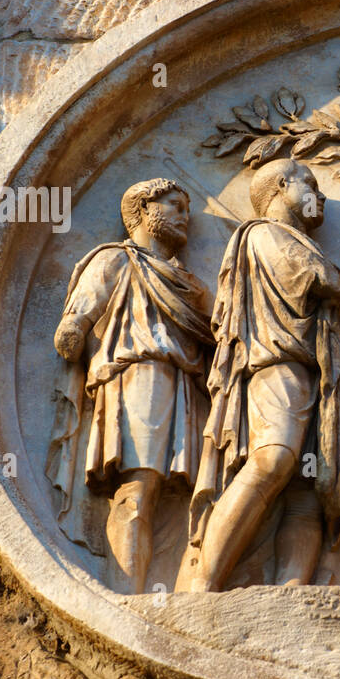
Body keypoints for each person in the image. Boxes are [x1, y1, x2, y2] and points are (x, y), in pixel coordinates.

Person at [181, 158, 340, 591]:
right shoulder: (264, 234)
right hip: (278, 367)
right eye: (311, 185)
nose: (322, 196)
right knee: (273, 459)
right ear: (282, 185)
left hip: (324, 376)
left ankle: (292, 591)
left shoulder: (293, 239)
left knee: (309, 489)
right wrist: (334, 280)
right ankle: (203, 586)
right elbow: (321, 280)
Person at [47, 178, 213, 594]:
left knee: (177, 497)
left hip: (185, 387)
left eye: (186, 208)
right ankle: (126, 593)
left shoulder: (188, 282)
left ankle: (158, 588)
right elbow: (71, 332)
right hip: (137, 377)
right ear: (143, 207)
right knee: (137, 489)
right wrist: (83, 339)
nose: (184, 216)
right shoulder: (114, 261)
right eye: (174, 205)